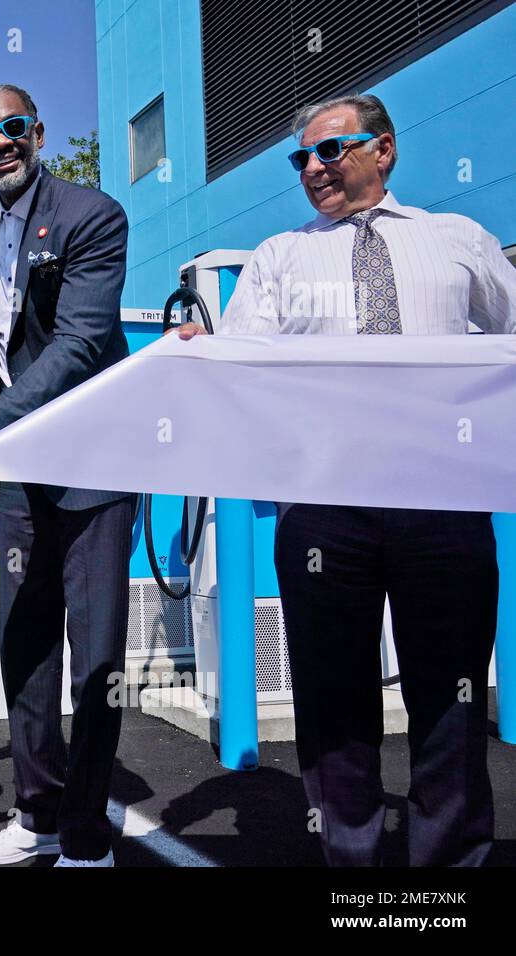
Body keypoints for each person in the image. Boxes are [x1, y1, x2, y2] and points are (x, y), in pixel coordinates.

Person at [177, 93, 516, 865]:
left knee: (452, 700)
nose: (312, 169)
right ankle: (352, 871)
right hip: (326, 512)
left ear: (385, 149)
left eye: (329, 151)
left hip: (444, 502)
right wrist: (204, 347)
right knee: (335, 703)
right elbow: (244, 366)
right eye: (300, 159)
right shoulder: (279, 257)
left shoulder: (459, 241)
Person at [0, 84, 134, 867]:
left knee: (96, 657)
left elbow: (81, 343)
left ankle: (87, 835)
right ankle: (39, 814)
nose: (2, 143)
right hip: (24, 467)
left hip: (94, 463)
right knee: (26, 647)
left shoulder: (92, 214)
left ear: (38, 133)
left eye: (14, 128)